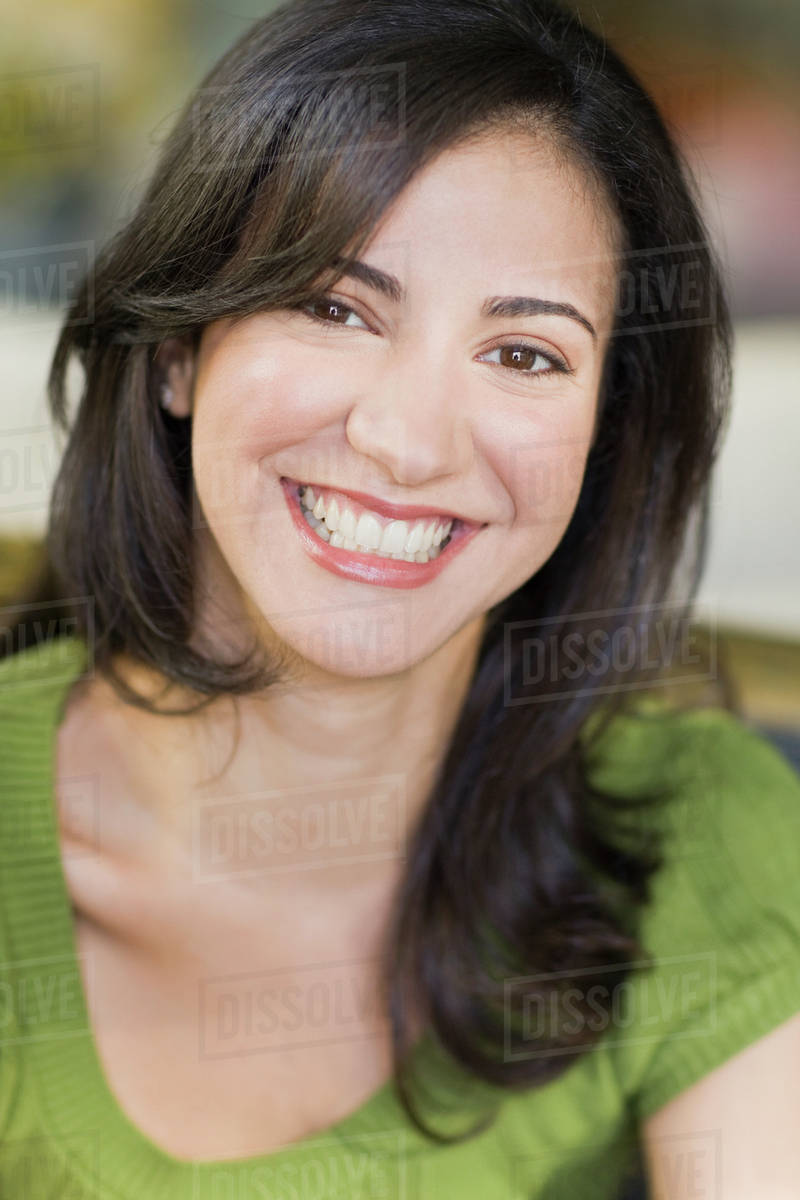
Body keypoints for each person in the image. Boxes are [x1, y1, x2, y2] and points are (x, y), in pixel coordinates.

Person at [1, 0, 798, 1196]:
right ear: (176, 350)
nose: (408, 441)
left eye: (525, 354)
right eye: (332, 306)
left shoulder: (698, 824)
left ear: (600, 433)